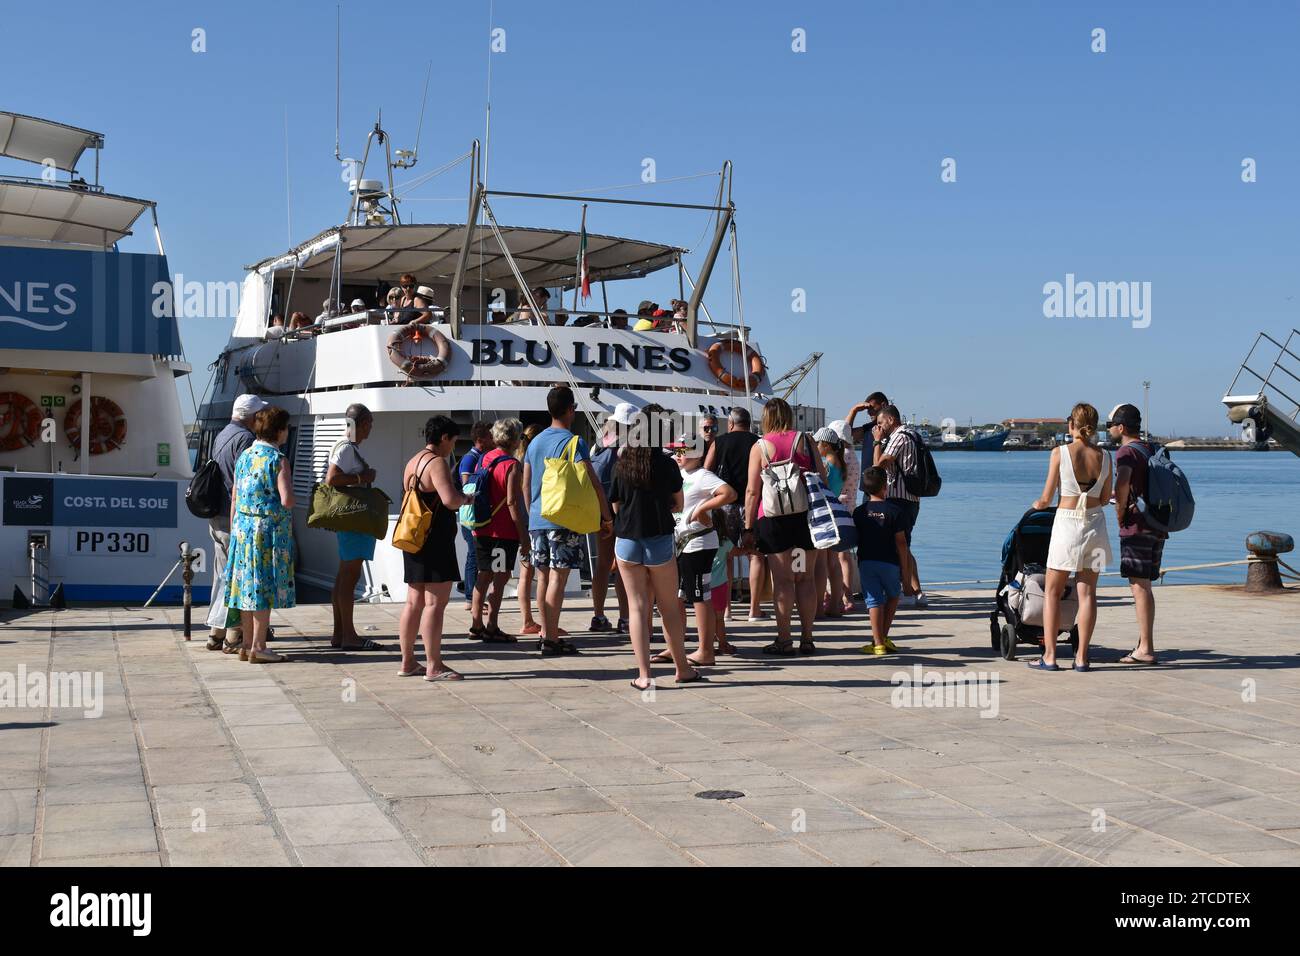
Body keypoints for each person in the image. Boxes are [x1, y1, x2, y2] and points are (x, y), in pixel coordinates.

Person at [608, 421, 702, 689]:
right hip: (658, 536)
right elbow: (679, 504)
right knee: (669, 607)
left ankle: (644, 676)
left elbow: (615, 504)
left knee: (637, 607)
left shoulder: (622, 464)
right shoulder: (667, 464)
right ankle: (682, 668)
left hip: (627, 538)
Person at [522, 385, 614, 656]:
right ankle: (550, 639)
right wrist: (606, 517)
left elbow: (526, 485)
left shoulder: (535, 442)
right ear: (571, 409)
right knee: (558, 581)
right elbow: (593, 480)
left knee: (543, 577)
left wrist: (532, 515)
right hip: (562, 519)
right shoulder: (574, 441)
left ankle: (544, 633)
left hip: (537, 519)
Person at [1028, 403, 1112, 672]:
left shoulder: (1059, 453)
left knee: (1052, 592)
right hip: (1096, 525)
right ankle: (1082, 658)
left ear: (1071, 425)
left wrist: (1037, 505)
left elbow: (1046, 497)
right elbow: (1105, 497)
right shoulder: (1106, 457)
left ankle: (1050, 656)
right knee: (1087, 593)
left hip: (1067, 525)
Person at [740, 398, 825, 655]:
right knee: (805, 578)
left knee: (784, 581)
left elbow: (752, 491)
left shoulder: (760, 447)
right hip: (804, 519)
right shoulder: (806, 441)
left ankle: (784, 638)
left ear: (765, 418)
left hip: (774, 520)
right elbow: (822, 477)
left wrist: (748, 527)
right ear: (789, 416)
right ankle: (807, 638)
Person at [398, 416, 472, 680]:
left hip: (414, 537)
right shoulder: (436, 462)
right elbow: (450, 500)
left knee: (413, 601)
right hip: (435, 540)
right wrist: (466, 498)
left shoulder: (412, 461)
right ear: (444, 438)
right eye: (453, 441)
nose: (452, 446)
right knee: (434, 605)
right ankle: (434, 665)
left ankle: (408, 661)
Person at [225, 406, 295, 664]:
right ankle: (259, 646)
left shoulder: (245, 456)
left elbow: (234, 495)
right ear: (279, 431)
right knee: (263, 589)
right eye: (286, 428)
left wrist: (236, 527)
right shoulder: (278, 460)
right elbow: (287, 500)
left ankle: (245, 644)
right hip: (266, 533)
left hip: (242, 529)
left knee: (246, 587)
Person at [205, 394, 267, 653]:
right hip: (234, 517)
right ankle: (233, 635)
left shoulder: (222, 434)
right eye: (259, 414)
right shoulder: (246, 440)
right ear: (251, 416)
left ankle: (215, 632)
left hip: (216, 515)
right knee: (238, 578)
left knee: (222, 576)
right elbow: (246, 480)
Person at [1108, 403, 1166, 665]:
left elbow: (1122, 486)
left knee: (1139, 587)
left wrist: (1121, 515)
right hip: (1157, 524)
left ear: (1121, 427)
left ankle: (1146, 649)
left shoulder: (1125, 452)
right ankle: (1145, 643)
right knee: (1146, 585)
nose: (1109, 430)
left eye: (1110, 426)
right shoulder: (1150, 448)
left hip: (1137, 526)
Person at [324, 403, 385, 651]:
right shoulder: (347, 448)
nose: (371, 427)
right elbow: (332, 478)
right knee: (350, 576)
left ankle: (340, 634)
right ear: (360, 424)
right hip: (353, 519)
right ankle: (349, 635)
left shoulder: (344, 446)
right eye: (369, 422)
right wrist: (363, 478)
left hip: (347, 520)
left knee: (344, 575)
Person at [670, 439, 735, 666]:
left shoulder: (702, 476)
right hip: (680, 541)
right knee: (677, 597)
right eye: (676, 450)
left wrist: (702, 508)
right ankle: (675, 647)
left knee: (700, 596)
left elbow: (728, 493)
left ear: (698, 454)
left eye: (683, 451)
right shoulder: (679, 472)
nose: (678, 455)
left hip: (698, 542)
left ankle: (706, 650)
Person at [469, 418, 528, 643]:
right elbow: (513, 503)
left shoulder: (485, 458)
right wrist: (523, 536)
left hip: (481, 527)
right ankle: (491, 626)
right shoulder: (512, 465)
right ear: (515, 439)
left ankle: (476, 624)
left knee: (483, 577)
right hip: (502, 533)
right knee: (500, 579)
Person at [705, 407, 760, 621]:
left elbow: (707, 471)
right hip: (751, 501)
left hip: (725, 503)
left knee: (726, 555)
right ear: (749, 423)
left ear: (730, 423)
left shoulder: (719, 442)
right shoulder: (758, 442)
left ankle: (726, 609)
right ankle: (754, 609)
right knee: (755, 554)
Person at [871, 405, 926, 607]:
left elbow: (878, 466)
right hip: (912, 498)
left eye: (880, 423)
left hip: (898, 499)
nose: (879, 427)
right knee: (905, 545)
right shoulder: (914, 435)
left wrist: (877, 441)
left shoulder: (899, 436)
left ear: (891, 420)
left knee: (900, 546)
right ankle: (916, 591)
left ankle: (908, 592)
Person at [589, 404, 637, 633]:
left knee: (603, 563)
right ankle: (625, 618)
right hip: (622, 510)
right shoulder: (629, 447)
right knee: (623, 566)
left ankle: (598, 616)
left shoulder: (598, 445)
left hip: (599, 510)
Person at [854, 467, 908, 655]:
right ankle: (882, 638)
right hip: (890, 562)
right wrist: (906, 571)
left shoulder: (859, 512)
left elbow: (855, 538)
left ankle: (878, 643)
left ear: (865, 489)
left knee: (873, 601)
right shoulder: (895, 511)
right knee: (893, 596)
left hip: (866, 561)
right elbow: (901, 543)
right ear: (886, 486)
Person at [457, 421, 493, 612]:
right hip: (471, 516)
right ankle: (471, 598)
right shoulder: (471, 459)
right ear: (481, 439)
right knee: (473, 555)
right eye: (489, 436)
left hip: (475, 514)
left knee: (476, 555)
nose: (492, 439)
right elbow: (467, 488)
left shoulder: (480, 457)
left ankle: (474, 597)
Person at [813, 426, 849, 618]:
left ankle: (818, 606)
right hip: (835, 513)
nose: (815, 447)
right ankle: (836, 604)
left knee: (820, 563)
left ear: (825, 444)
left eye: (817, 444)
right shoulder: (841, 464)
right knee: (833, 563)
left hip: (823, 515)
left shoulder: (825, 465)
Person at [828, 418, 861, 610]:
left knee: (839, 556)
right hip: (850, 507)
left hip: (839, 507)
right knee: (844, 555)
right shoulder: (853, 455)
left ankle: (845, 595)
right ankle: (846, 595)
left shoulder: (843, 457)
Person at [515, 422, 544, 636]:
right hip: (532, 523)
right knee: (542, 575)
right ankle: (536, 622)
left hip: (520, 525)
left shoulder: (517, 461)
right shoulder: (533, 461)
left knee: (525, 575)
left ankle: (528, 620)